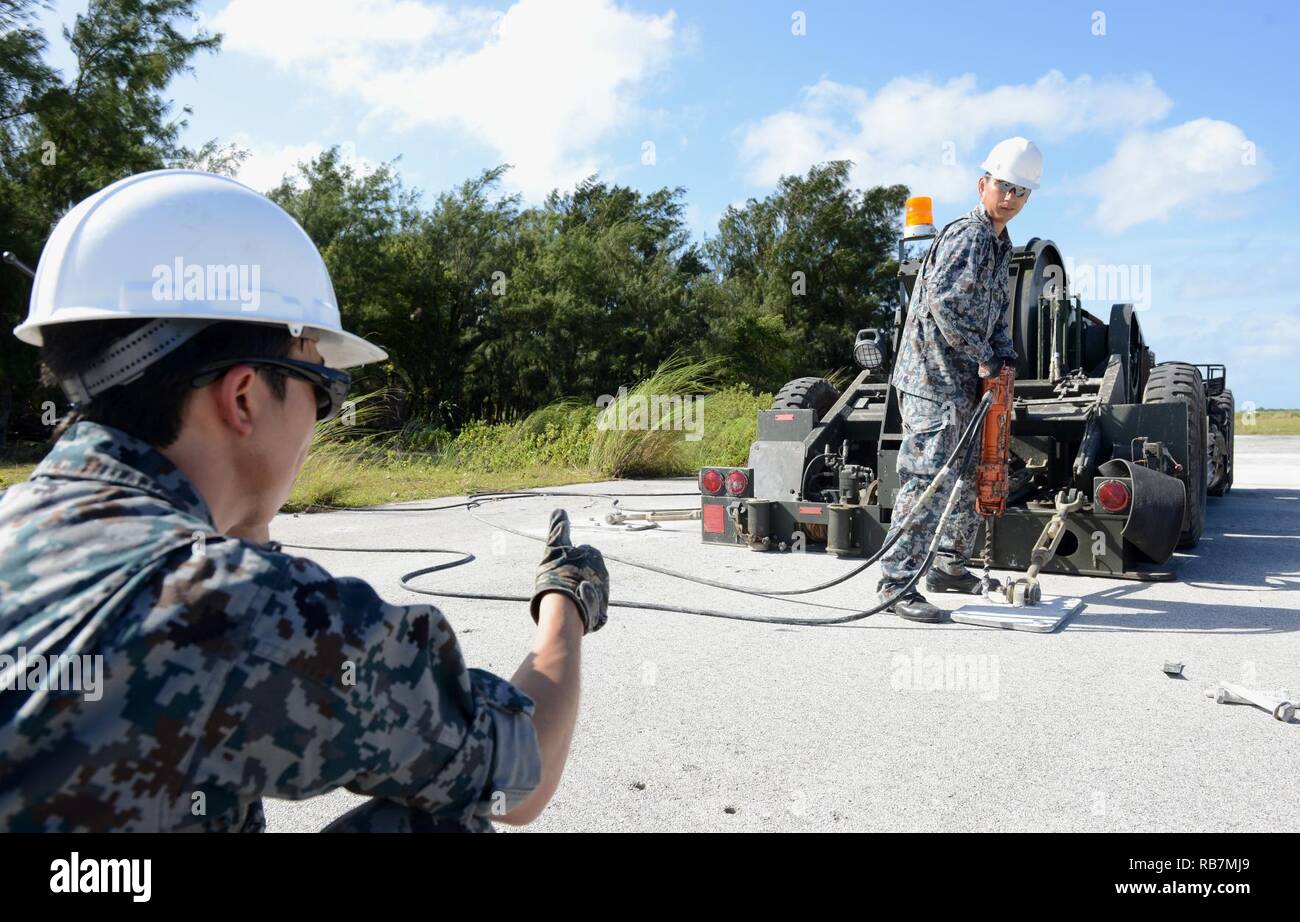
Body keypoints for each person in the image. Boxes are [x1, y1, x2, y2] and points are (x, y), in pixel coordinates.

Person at [0, 169, 608, 832]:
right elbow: (519, 777)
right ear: (243, 398)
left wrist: (242, 524)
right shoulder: (231, 602)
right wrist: (565, 601)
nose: (321, 419)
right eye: (323, 387)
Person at [876, 138, 1042, 623]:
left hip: (962, 383)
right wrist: (985, 357)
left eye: (1022, 192)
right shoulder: (967, 236)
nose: (1011, 198)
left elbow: (994, 313)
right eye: (1005, 186)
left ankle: (947, 567)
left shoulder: (999, 243)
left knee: (966, 477)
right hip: (932, 380)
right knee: (925, 478)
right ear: (983, 184)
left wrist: (1005, 359)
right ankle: (895, 583)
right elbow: (945, 305)